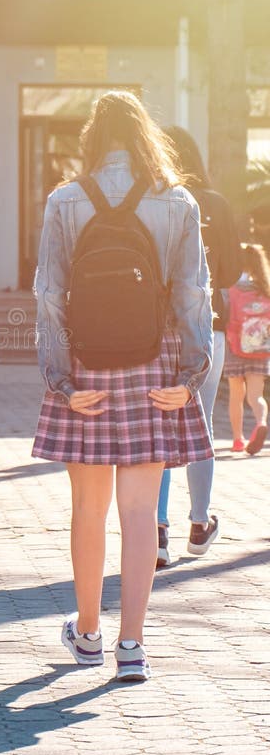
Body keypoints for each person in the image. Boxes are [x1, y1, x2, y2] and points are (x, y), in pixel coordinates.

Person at [32, 91, 213, 682]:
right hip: (153, 364)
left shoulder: (64, 199)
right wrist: (190, 377)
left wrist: (59, 381)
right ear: (144, 136)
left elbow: (49, 296)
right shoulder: (176, 200)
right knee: (140, 514)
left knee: (88, 509)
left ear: (92, 137)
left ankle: (87, 633)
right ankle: (131, 646)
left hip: (85, 366)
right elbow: (192, 295)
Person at [156, 127, 242, 568]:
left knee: (161, 424)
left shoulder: (153, 202)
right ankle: (198, 522)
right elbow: (230, 269)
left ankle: (157, 531)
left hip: (157, 329)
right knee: (201, 422)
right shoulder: (217, 204)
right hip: (210, 324)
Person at [224, 242, 270, 455]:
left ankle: (237, 439)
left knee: (236, 395)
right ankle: (261, 422)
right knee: (256, 395)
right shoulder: (265, 287)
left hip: (235, 346)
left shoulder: (232, 286)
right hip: (260, 347)